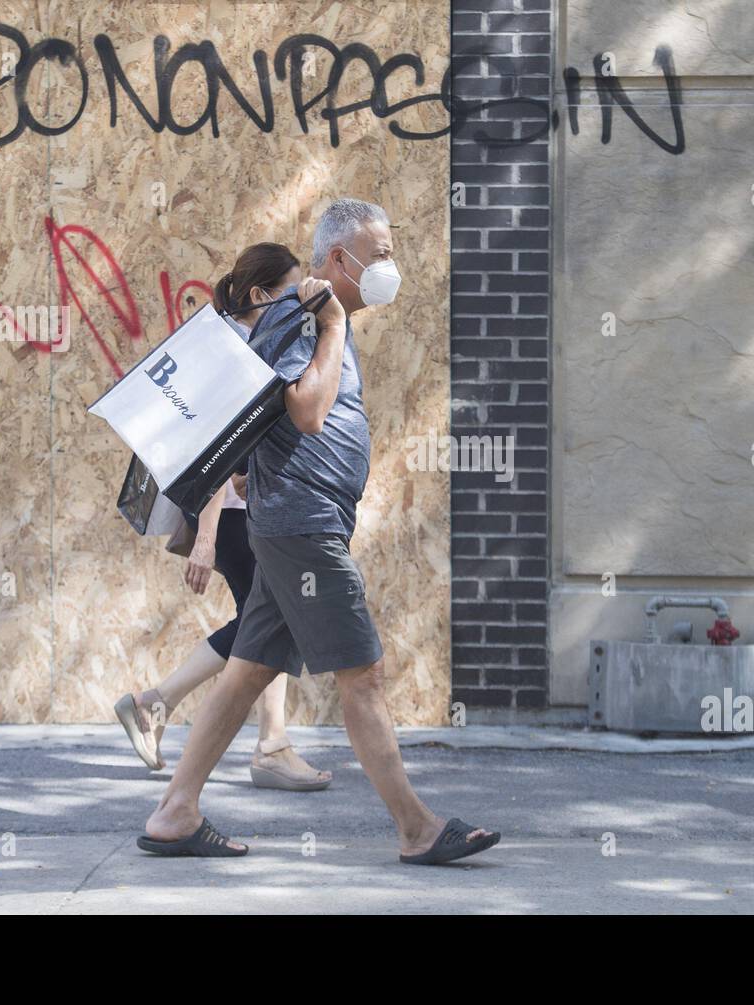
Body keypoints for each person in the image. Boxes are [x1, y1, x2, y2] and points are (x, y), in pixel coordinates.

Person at [137, 199, 499, 864]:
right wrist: (331, 323)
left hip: (297, 523)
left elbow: (265, 410)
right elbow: (304, 410)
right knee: (362, 674)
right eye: (379, 252)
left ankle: (174, 809)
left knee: (247, 672)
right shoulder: (303, 317)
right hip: (303, 529)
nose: (389, 265)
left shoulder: (307, 319)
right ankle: (416, 827)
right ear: (338, 259)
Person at [113, 242, 331, 792]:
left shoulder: (241, 340)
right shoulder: (237, 349)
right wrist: (206, 536)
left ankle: (268, 742)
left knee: (273, 621)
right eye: (288, 291)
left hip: (248, 508)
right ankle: (165, 705)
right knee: (269, 621)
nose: (298, 302)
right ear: (260, 295)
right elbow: (215, 449)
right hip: (234, 516)